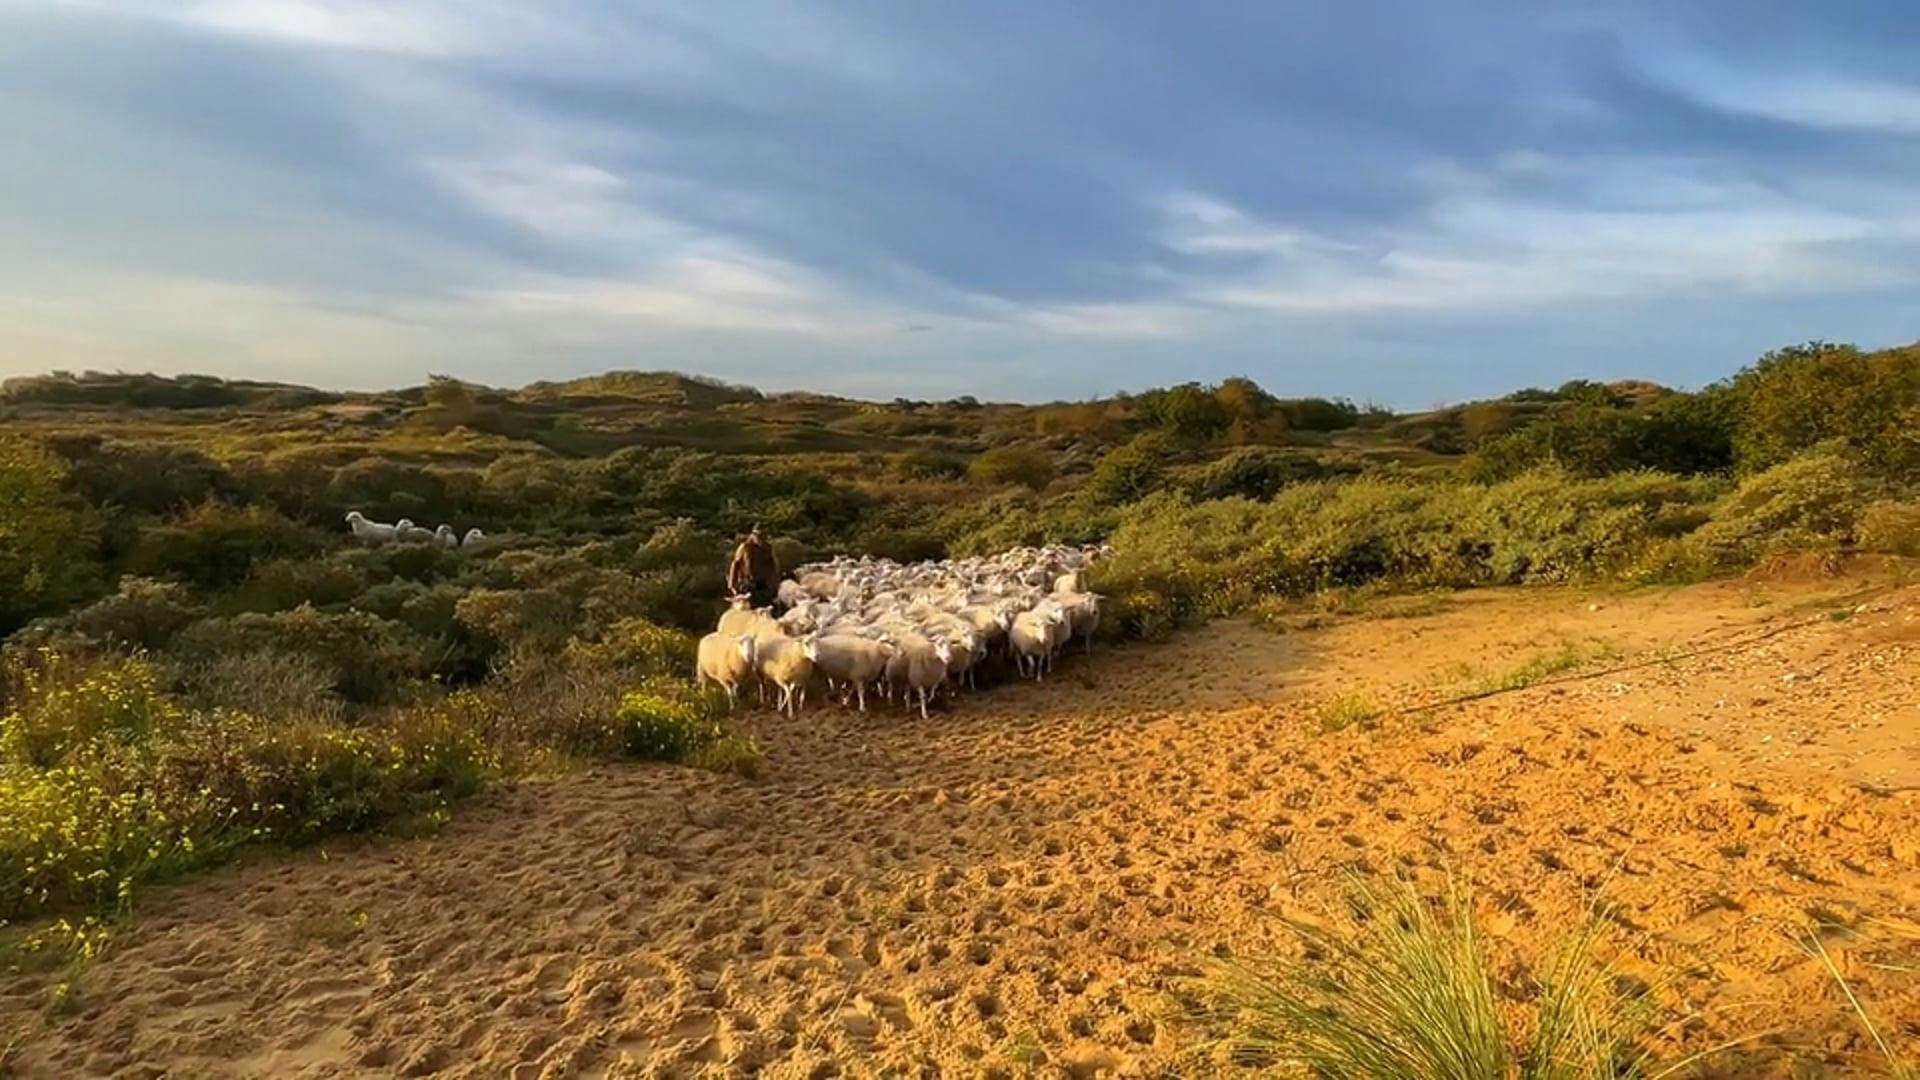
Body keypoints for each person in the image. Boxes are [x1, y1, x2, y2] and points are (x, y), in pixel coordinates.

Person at [726, 525, 781, 609]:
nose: (759, 539)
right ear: (752, 535)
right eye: (757, 536)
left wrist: (774, 585)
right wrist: (732, 584)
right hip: (747, 583)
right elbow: (735, 564)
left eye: (762, 537)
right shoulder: (745, 547)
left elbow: (772, 566)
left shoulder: (768, 548)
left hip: (763, 585)